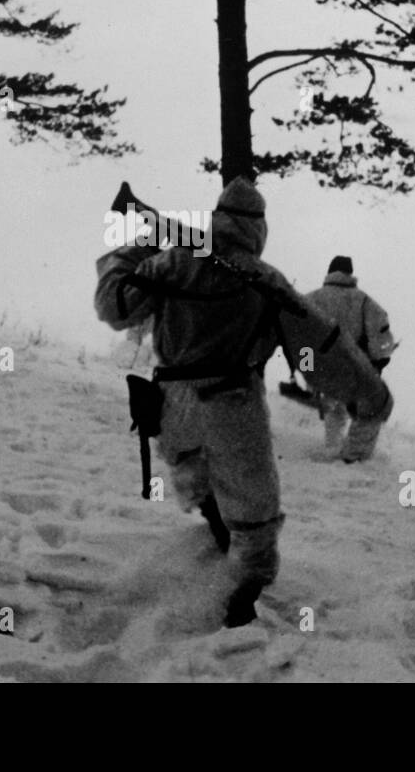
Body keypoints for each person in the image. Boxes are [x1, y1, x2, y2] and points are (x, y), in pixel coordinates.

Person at [94, 177, 302, 627]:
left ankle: (216, 528)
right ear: (259, 228)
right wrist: (369, 394)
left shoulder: (173, 263)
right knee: (253, 507)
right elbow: (312, 334)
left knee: (192, 469)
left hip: (173, 401)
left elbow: (115, 307)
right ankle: (246, 593)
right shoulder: (265, 278)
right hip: (233, 399)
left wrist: (139, 248)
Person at [304, 255, 396, 463]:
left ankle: (332, 450)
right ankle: (352, 458)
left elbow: (301, 341)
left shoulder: (310, 299)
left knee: (333, 411)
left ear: (329, 272)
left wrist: (307, 370)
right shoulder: (365, 302)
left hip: (321, 371)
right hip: (354, 372)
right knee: (373, 408)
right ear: (350, 273)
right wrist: (379, 361)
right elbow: (381, 341)